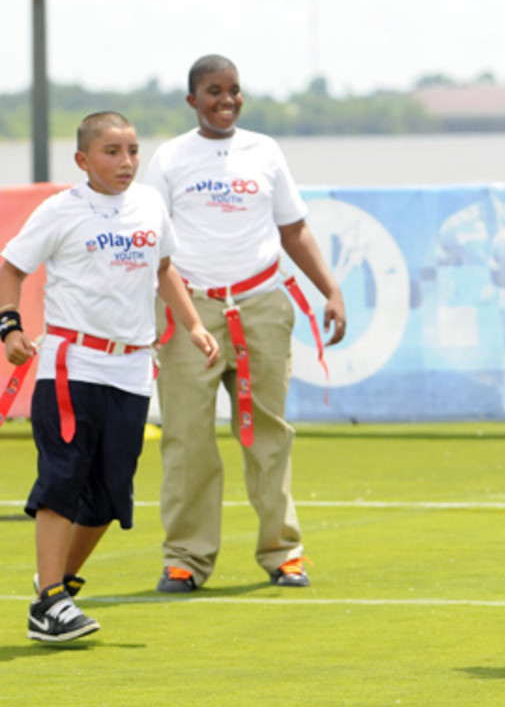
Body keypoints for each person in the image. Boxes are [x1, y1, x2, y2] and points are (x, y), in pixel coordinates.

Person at [1, 112, 218, 641]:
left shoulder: (148, 204)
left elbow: (164, 267)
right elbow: (11, 266)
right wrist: (9, 327)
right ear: (82, 160)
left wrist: (192, 324)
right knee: (61, 478)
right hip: (71, 363)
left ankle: (56, 593)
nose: (126, 163)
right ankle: (50, 599)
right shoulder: (61, 210)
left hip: (132, 367)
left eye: (133, 151)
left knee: (111, 492)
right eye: (112, 152)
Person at [145, 55, 346, 593]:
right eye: (213, 91)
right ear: (192, 100)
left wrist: (331, 289)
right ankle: (185, 558)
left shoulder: (265, 151)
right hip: (191, 313)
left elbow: (294, 229)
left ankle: (284, 553)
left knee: (268, 437)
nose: (226, 100)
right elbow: (151, 245)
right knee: (187, 439)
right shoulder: (169, 158)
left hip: (261, 305)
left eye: (234, 90)